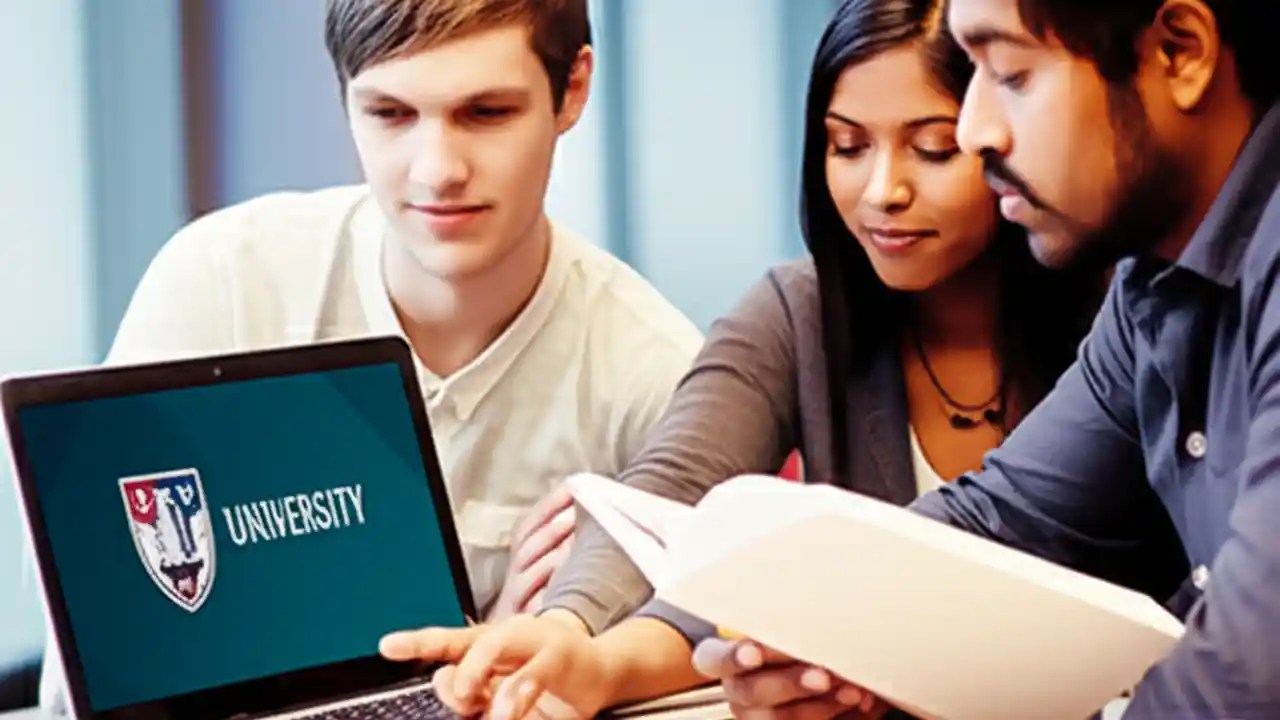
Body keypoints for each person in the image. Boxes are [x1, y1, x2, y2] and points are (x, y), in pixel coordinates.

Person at [371, 0, 1121, 717]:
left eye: (931, 149)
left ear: (1003, 130)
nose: (882, 191)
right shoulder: (799, 312)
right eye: (847, 145)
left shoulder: (1125, 319)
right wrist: (573, 640)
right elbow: (669, 493)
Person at [38, 0, 703, 714]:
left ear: (572, 90)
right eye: (389, 114)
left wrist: (503, 661)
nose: (438, 170)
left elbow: (711, 648)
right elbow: (81, 683)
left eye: (486, 113)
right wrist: (484, 635)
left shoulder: (653, 372)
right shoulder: (223, 282)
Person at [683, 0, 1280, 717]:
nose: (975, 130)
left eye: (1011, 74)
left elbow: (1243, 677)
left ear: (1181, 53)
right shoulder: (1151, 286)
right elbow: (1008, 520)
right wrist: (810, 634)